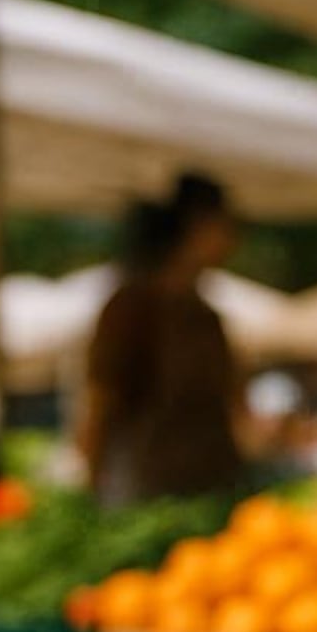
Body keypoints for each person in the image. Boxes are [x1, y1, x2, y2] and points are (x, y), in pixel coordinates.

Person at [80, 173, 244, 504]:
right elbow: (102, 398)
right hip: (145, 489)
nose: (233, 239)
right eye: (224, 226)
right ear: (196, 227)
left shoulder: (205, 316)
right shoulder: (132, 308)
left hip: (211, 484)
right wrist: (92, 483)